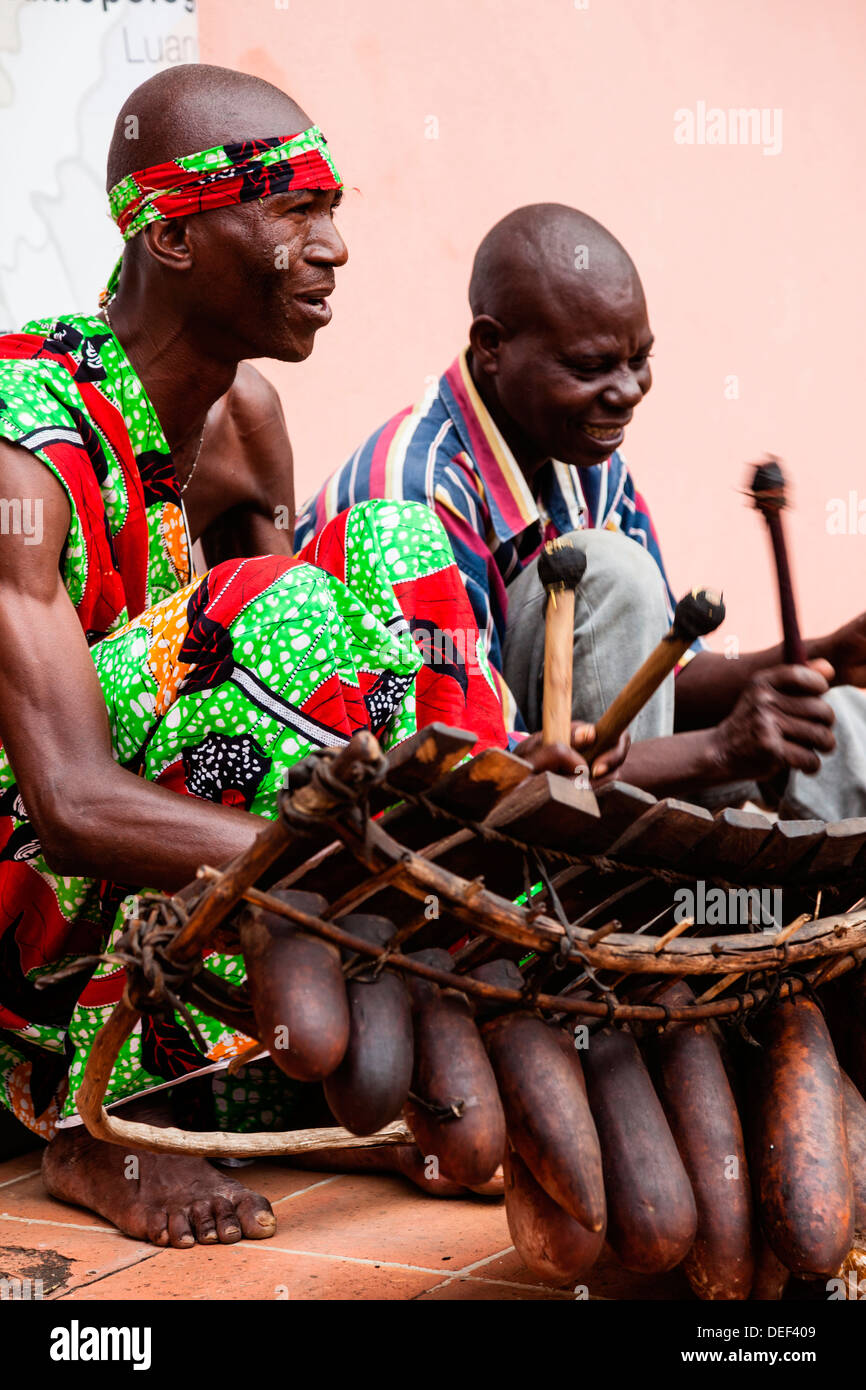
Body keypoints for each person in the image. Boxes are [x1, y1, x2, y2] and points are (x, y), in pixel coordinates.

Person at [0, 73, 623, 1249]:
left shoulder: (247, 421)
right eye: (289, 209)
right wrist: (365, 869)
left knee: (385, 545)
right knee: (264, 606)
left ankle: (405, 1004)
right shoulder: (20, 439)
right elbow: (72, 802)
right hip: (25, 885)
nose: (331, 247)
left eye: (330, 208)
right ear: (172, 232)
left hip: (176, 862)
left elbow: (302, 714)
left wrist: (452, 803)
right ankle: (96, 1127)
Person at [297, 203, 866, 819]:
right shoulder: (413, 492)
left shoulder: (582, 453)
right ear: (492, 346)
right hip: (467, 808)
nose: (627, 393)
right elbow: (457, 762)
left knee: (841, 715)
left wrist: (828, 652)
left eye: (639, 360)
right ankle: (628, 880)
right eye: (591, 367)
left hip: (600, 770)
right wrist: (717, 753)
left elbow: (660, 678)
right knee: (607, 573)